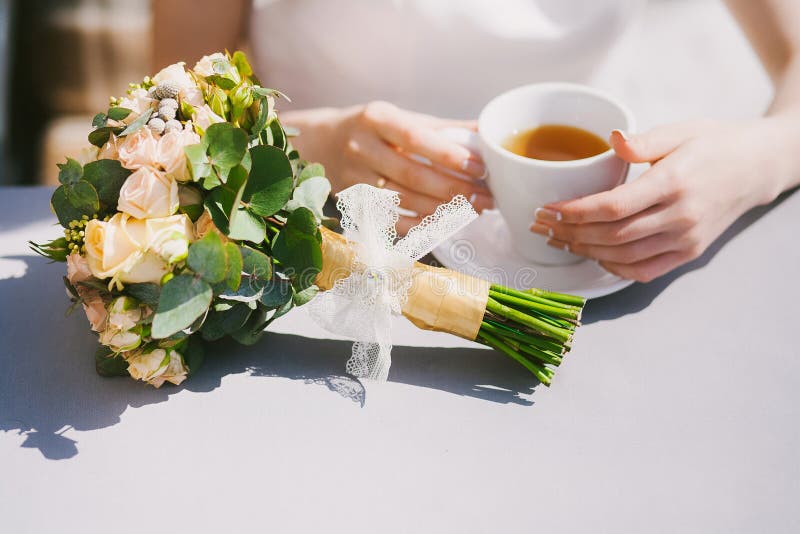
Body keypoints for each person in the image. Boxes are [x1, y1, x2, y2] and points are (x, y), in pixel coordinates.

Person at [154, 0, 800, 282]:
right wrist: (308, 148)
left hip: (602, 265)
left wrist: (760, 157)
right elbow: (167, 106)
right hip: (310, 255)